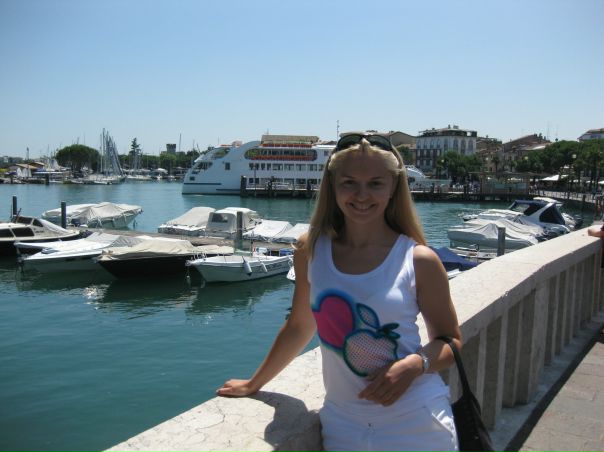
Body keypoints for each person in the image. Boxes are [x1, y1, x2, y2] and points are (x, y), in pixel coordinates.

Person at [217, 133, 462, 451]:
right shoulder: (310, 250)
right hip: (343, 424)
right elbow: (299, 326)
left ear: (393, 187)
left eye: (375, 183)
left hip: (417, 421)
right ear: (332, 185)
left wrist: (414, 365)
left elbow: (450, 341)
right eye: (349, 183)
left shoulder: (418, 259)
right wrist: (255, 384)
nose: (362, 195)